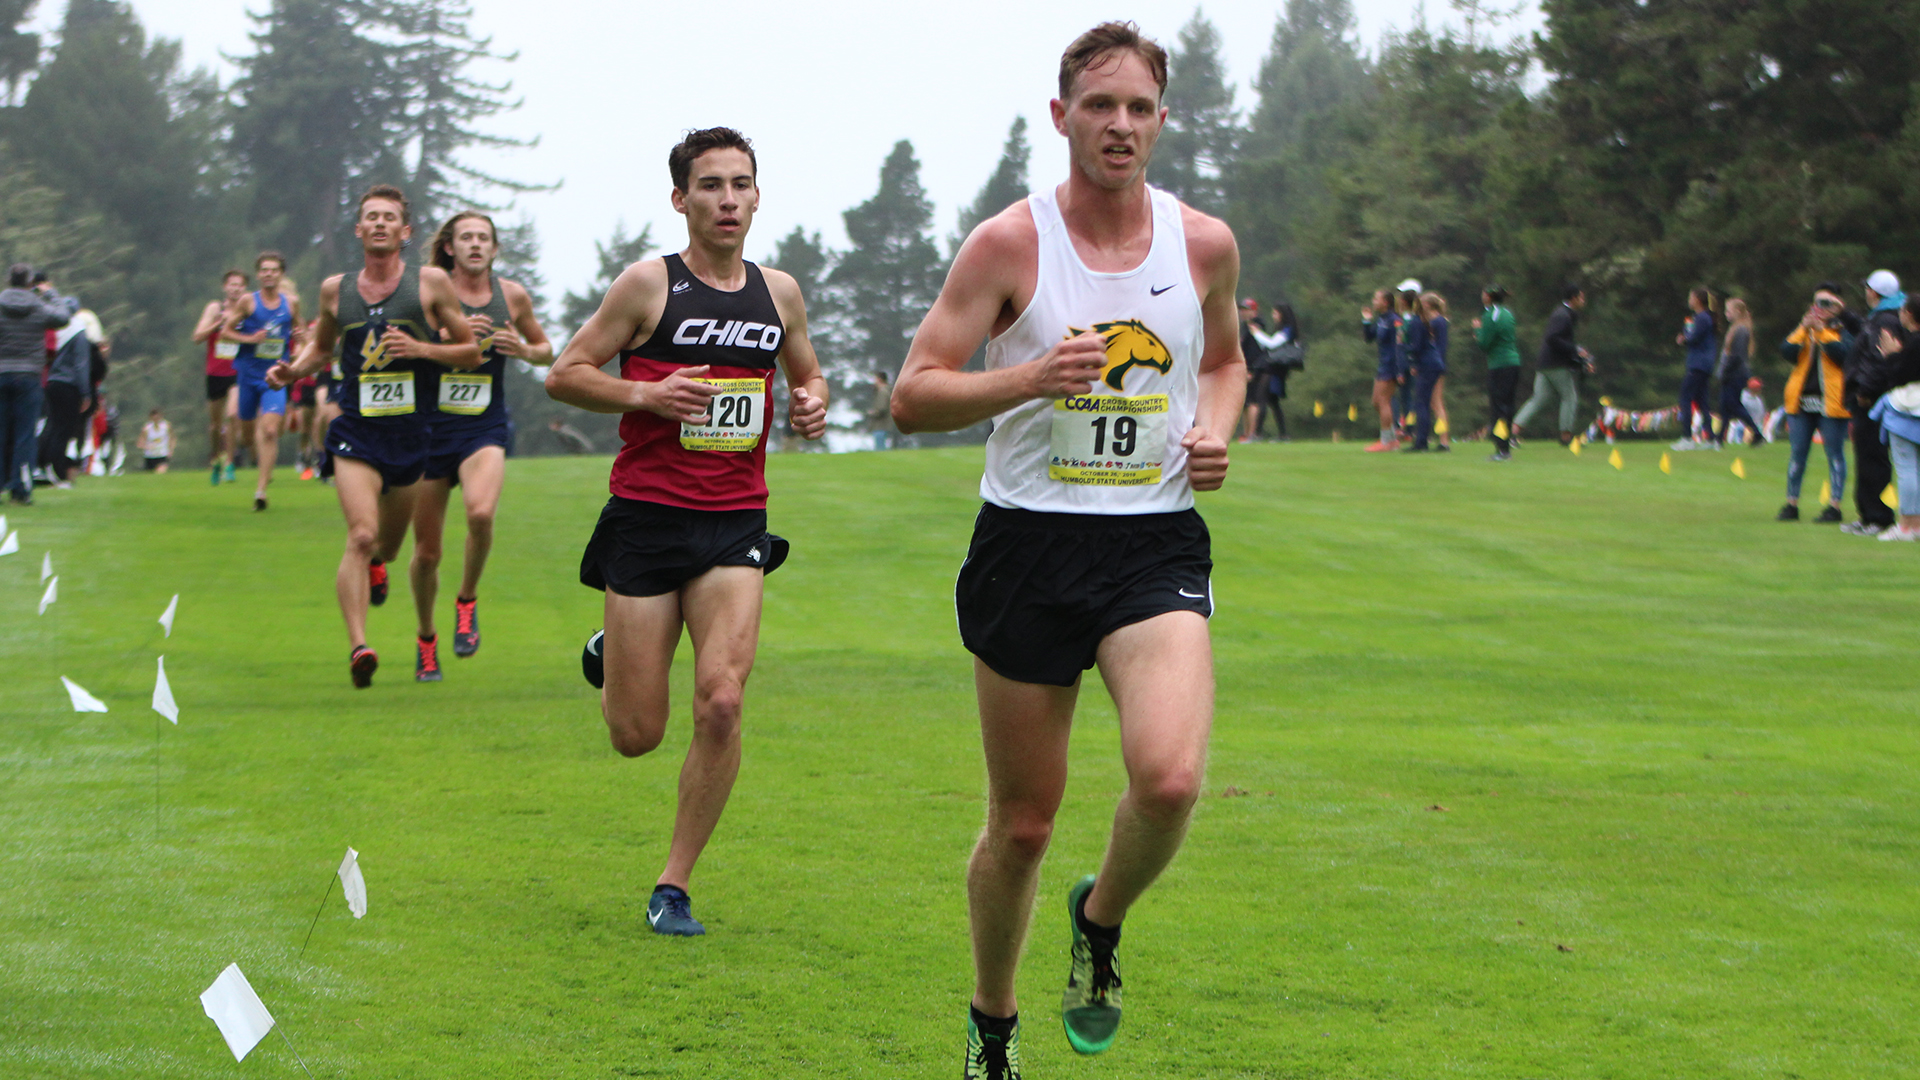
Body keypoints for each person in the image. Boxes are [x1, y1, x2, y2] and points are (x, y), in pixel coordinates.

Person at [888, 24, 1243, 1076]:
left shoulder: (1206, 243)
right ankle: (992, 1019)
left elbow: (1221, 363)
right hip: (1030, 549)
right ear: (1062, 118)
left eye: (1139, 107)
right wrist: (1025, 379)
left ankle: (1102, 918)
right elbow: (913, 395)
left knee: (1171, 779)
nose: (1120, 125)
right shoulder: (1010, 245)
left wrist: (1217, 428)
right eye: (1100, 107)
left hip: (1153, 544)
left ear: (1163, 120)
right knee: (1024, 825)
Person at [545, 127, 828, 939]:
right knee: (637, 735)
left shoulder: (779, 294)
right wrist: (646, 396)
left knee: (724, 700)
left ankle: (674, 883)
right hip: (646, 518)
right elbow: (566, 374)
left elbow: (807, 376)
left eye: (741, 184)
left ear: (757, 195)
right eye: (710, 186)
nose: (728, 199)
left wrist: (811, 405)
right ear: (682, 200)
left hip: (735, 520)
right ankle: (611, 650)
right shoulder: (648, 286)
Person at [265, 184, 480, 687]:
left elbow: (469, 351)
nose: (380, 224)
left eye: (389, 218)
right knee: (360, 536)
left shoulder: (428, 285)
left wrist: (423, 351)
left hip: (412, 434)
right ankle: (360, 647)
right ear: (359, 229)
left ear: (405, 232)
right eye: (371, 217)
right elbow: (320, 350)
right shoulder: (334, 290)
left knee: (385, 544)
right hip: (355, 430)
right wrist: (292, 372)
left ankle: (380, 563)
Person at [411, 210, 553, 667]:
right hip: (429, 430)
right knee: (427, 554)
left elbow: (546, 349)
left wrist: (523, 349)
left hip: (483, 426)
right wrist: (444, 338)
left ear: (494, 249)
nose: (475, 245)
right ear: (449, 247)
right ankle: (426, 637)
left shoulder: (510, 296)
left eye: (484, 238)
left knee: (481, 513)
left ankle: (467, 602)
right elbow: (399, 344)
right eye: (466, 238)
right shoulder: (429, 292)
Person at [225, 251, 303, 511]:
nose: (269, 274)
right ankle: (260, 462)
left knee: (270, 430)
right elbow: (225, 331)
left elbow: (300, 333)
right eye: (264, 270)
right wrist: (249, 340)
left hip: (274, 377)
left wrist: (299, 352)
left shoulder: (291, 303)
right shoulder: (248, 302)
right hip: (248, 375)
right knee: (248, 433)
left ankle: (261, 490)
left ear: (281, 274)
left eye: (274, 270)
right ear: (258, 274)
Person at [1775, 283, 1852, 522]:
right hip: (1801, 402)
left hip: (1832, 403)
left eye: (1827, 303)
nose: (1820, 308)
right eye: (1817, 302)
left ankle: (1835, 506)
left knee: (1834, 455)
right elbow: (1787, 351)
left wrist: (1823, 331)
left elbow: (1844, 355)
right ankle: (1791, 504)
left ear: (1838, 306)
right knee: (1798, 453)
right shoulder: (1805, 329)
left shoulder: (1844, 330)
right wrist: (1803, 327)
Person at [1, 264, 76, 504]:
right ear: (31, 283)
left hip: (1, 372)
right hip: (29, 376)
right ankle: (20, 489)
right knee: (25, 434)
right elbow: (63, 317)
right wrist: (50, 293)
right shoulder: (39, 308)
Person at [1841, 270, 1904, 536]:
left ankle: (1877, 517)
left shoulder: (1884, 320)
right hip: (1871, 397)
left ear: (1874, 292)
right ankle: (1868, 514)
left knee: (1871, 458)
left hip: (1871, 399)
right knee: (1867, 456)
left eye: (1867, 288)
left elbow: (1877, 361)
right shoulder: (1882, 317)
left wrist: (1865, 391)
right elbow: (1864, 335)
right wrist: (1844, 314)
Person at [1869, 294, 1920, 541]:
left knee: (1907, 468)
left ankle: (1908, 526)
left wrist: (1891, 355)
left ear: (1909, 314)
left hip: (1908, 409)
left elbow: (1900, 375)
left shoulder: (1914, 343)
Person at [1514, 284, 1592, 445]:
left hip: (1545, 363)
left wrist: (1578, 355)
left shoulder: (1562, 313)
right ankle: (1566, 436)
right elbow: (1553, 338)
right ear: (1574, 298)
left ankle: (1512, 431)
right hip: (1556, 365)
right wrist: (1575, 350)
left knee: (1538, 399)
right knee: (1569, 397)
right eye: (1581, 297)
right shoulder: (1563, 315)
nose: (1584, 301)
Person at [38, 299, 99, 488]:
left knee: (54, 426)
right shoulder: (79, 332)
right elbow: (81, 365)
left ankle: (47, 466)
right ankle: (57, 471)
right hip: (69, 386)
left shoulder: (58, 331)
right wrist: (86, 392)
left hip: (52, 383)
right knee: (63, 430)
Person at [193, 270, 247, 484]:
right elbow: (197, 336)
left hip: (238, 370)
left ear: (245, 289)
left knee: (233, 415)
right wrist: (218, 324)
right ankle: (216, 458)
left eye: (240, 285)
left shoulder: (247, 309)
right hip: (215, 372)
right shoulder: (215, 308)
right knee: (215, 425)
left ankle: (230, 463)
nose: (236, 289)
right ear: (225, 287)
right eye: (232, 285)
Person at [1474, 286, 1520, 460]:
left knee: (1498, 407)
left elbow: (1484, 344)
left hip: (1499, 364)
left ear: (1488, 297)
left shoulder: (1490, 314)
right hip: (1514, 363)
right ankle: (1506, 445)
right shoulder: (1508, 313)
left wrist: (1477, 330)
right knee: (1508, 406)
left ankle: (1502, 449)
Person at [1712, 298, 1763, 449]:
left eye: (1729, 311)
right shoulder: (1736, 329)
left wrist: (1725, 371)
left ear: (1738, 312)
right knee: (1725, 407)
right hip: (1733, 373)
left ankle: (1757, 433)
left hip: (1735, 374)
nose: (1726, 314)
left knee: (1733, 405)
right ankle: (1719, 439)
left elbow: (1737, 356)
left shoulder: (1741, 330)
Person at [1405, 291, 1450, 452]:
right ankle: (1442, 439)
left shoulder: (1438, 322)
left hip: (1435, 364)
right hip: (1436, 363)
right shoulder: (1432, 321)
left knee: (1436, 403)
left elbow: (1441, 346)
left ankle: (1444, 440)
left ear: (1428, 305)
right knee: (1433, 403)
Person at [1672, 287, 1717, 449]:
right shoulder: (1700, 318)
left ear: (1698, 300)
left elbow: (1695, 338)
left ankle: (1687, 437)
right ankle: (1711, 439)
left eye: (1691, 297)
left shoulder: (1702, 318)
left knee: (1685, 397)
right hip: (1704, 364)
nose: (1689, 300)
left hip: (1698, 364)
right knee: (1702, 401)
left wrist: (1683, 339)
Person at [1362, 288, 1402, 451]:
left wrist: (1399, 369)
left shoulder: (1394, 320)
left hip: (1391, 365)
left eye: (1376, 299)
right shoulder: (1381, 319)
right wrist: (1366, 321)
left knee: (1383, 400)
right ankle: (1391, 437)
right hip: (1383, 364)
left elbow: (1399, 346)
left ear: (1386, 302)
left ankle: (1387, 442)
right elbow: (1369, 338)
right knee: (1376, 402)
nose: (1373, 301)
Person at [867, 369, 894, 449]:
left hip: (880, 425)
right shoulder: (886, 391)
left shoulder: (882, 392)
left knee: (880, 448)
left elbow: (882, 409)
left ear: (879, 379)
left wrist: (872, 413)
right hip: (883, 425)